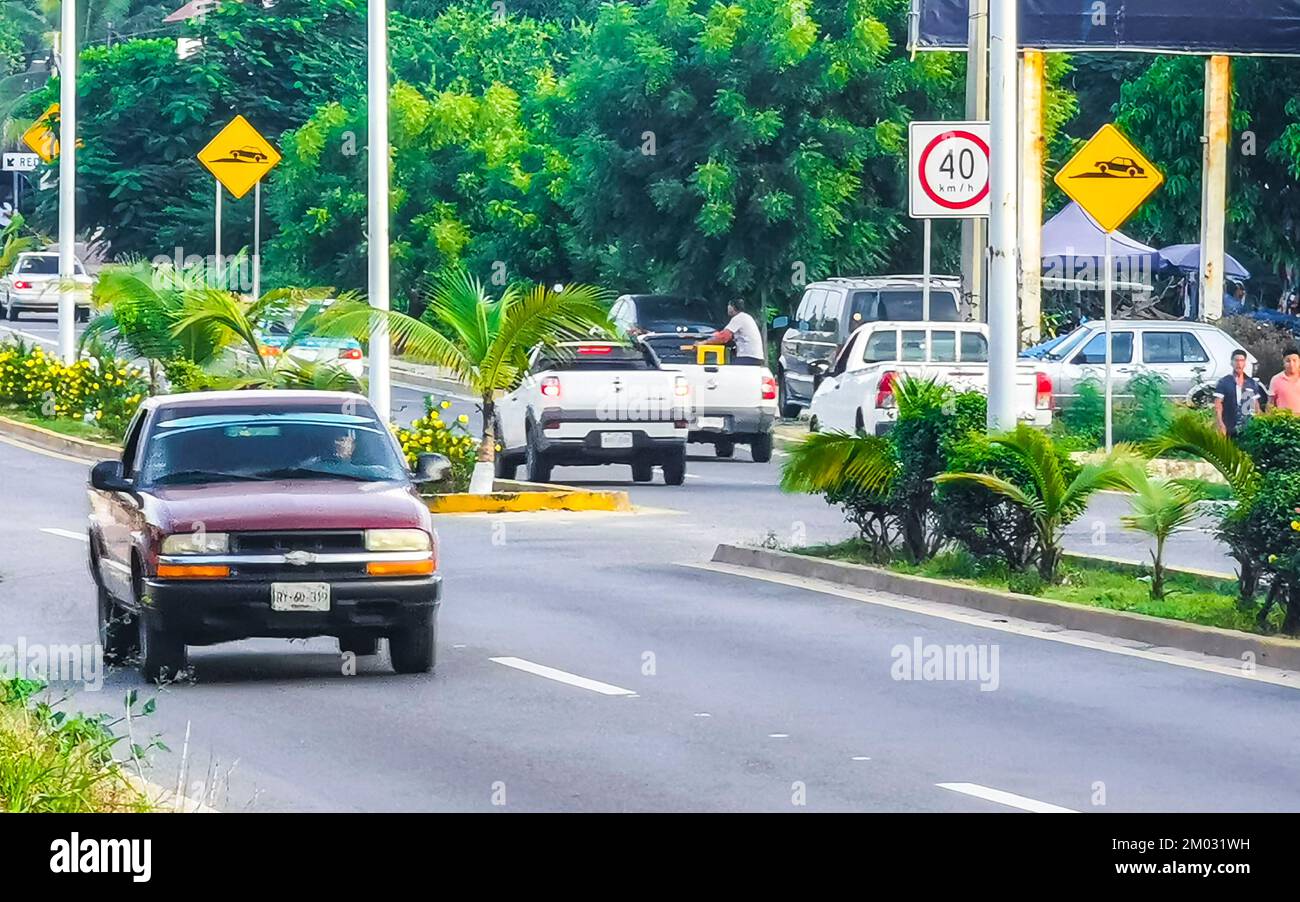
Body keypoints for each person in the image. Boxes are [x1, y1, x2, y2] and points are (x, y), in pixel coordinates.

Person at [1214, 349, 1267, 439]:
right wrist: (1220, 423)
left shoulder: (1252, 383)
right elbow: (1218, 404)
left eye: (1241, 360)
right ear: (1231, 363)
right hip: (1229, 425)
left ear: (1245, 363)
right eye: (1236, 360)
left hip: (1248, 427)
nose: (1239, 363)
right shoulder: (1224, 382)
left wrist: (1262, 421)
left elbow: (1256, 406)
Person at [697, 297, 764, 365]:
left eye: (728, 305)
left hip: (747, 356)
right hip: (755, 356)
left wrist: (704, 342)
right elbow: (728, 336)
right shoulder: (746, 317)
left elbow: (724, 337)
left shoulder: (738, 318)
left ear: (732, 307)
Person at [1270, 346, 1300, 414]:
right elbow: (1270, 404)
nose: (1291, 364)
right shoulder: (1276, 380)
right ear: (1283, 362)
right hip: (1283, 421)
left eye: (1294, 360)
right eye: (1288, 361)